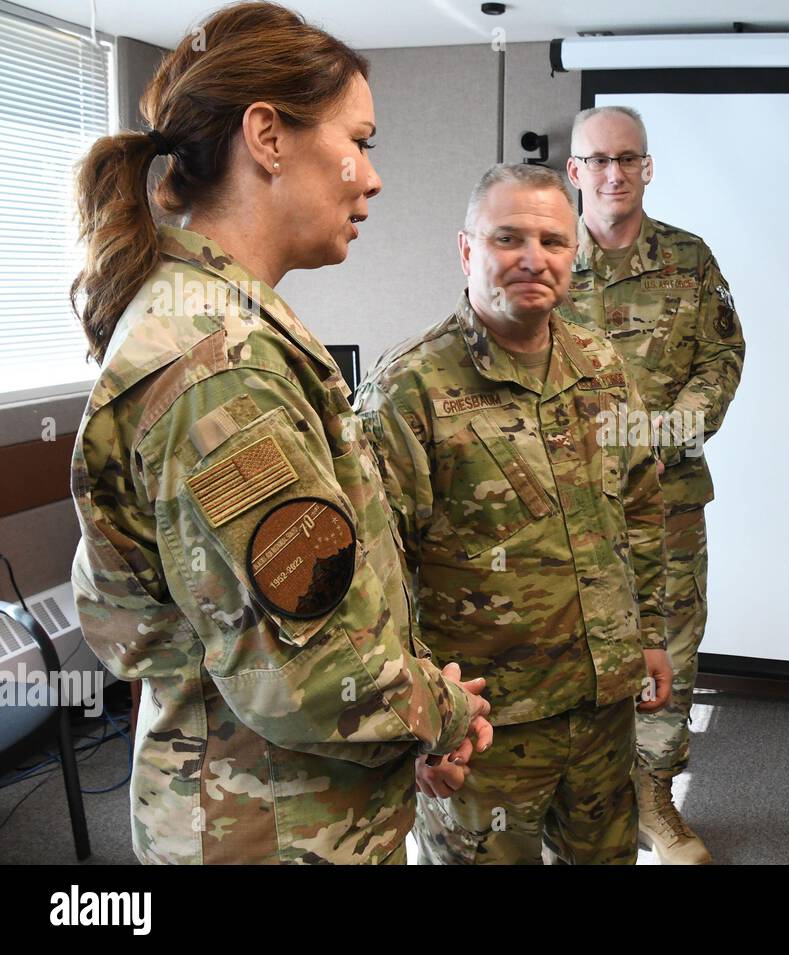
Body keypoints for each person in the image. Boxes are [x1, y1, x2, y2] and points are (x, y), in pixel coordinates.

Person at [68, 1, 490, 865]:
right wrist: (443, 711)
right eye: (360, 141)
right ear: (267, 136)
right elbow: (303, 672)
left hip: (275, 802)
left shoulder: (212, 323)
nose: (372, 178)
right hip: (271, 828)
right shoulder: (222, 366)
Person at [354, 163, 670, 865]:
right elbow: (375, 577)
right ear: (468, 251)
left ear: (575, 254)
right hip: (483, 727)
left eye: (554, 241)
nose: (534, 258)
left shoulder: (601, 364)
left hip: (599, 704)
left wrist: (647, 631)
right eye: (508, 238)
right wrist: (414, 722)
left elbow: (642, 507)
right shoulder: (409, 388)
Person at [561, 105, 745, 864]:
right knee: (570, 643)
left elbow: (722, 357)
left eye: (627, 158)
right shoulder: (544, 258)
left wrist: (662, 436)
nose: (613, 173)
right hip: (565, 508)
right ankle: (575, 803)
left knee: (670, 642)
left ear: (647, 167)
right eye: (598, 160)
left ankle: (653, 798)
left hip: (667, 497)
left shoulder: (690, 259)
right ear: (574, 172)